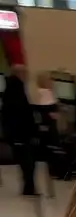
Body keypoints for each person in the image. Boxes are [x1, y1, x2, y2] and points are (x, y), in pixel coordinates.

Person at [1, 64, 37, 196]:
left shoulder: (11, 89)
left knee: (25, 162)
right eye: (24, 73)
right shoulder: (16, 90)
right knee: (28, 162)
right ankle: (29, 188)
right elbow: (21, 113)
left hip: (17, 133)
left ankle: (28, 188)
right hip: (21, 133)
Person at [33, 73, 60, 178]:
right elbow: (47, 112)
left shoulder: (41, 93)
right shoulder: (45, 94)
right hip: (49, 128)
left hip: (46, 127)